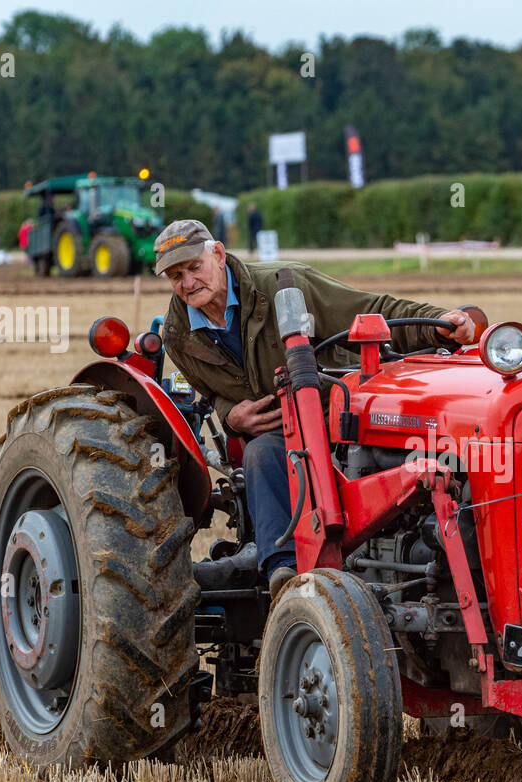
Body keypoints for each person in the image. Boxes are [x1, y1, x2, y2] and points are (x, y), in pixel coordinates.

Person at [154, 219, 478, 595]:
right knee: (261, 453)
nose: (188, 282)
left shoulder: (284, 286)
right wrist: (229, 413)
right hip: (278, 431)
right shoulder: (177, 334)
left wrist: (436, 324)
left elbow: (368, 310)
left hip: (331, 410)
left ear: (219, 254)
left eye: (194, 267)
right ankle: (285, 571)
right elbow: (209, 393)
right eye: (175, 276)